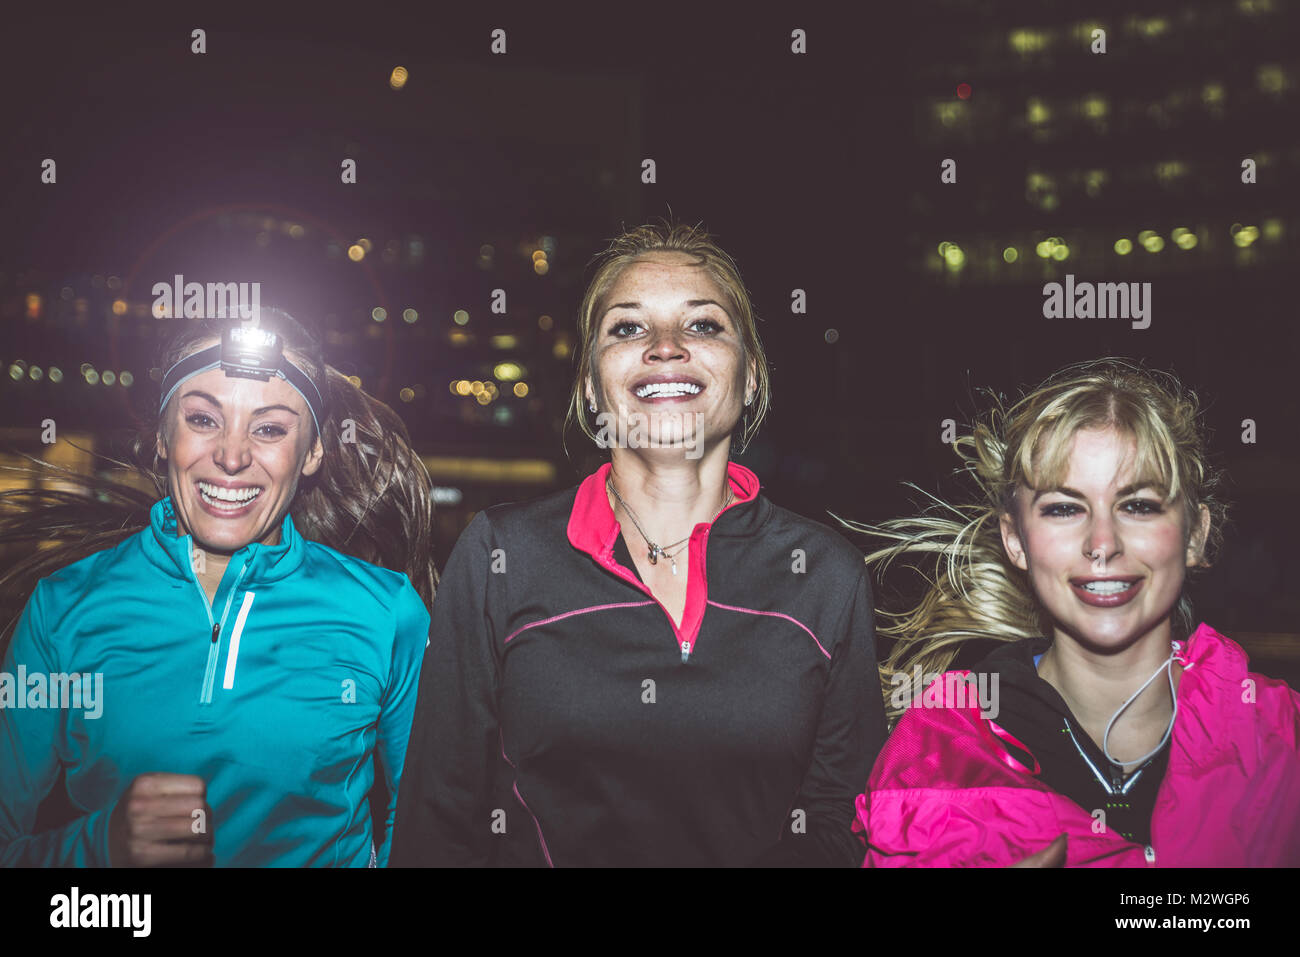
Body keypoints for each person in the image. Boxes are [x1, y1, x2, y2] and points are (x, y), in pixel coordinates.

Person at [393, 222, 886, 866]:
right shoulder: (500, 555)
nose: (666, 347)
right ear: (593, 387)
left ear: (753, 376)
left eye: (704, 326)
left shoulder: (825, 575)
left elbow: (844, 822)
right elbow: (438, 818)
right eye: (627, 329)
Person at [0, 309, 434, 866]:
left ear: (314, 452)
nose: (232, 457)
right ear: (162, 436)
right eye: (203, 419)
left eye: (270, 428)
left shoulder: (386, 612)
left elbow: (427, 822)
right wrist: (99, 848)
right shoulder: (63, 609)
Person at [848, 358, 1300, 867]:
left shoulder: (1278, 739)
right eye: (1064, 508)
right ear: (1016, 540)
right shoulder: (936, 757)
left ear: (1194, 534)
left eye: (1139, 505)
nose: (1102, 544)